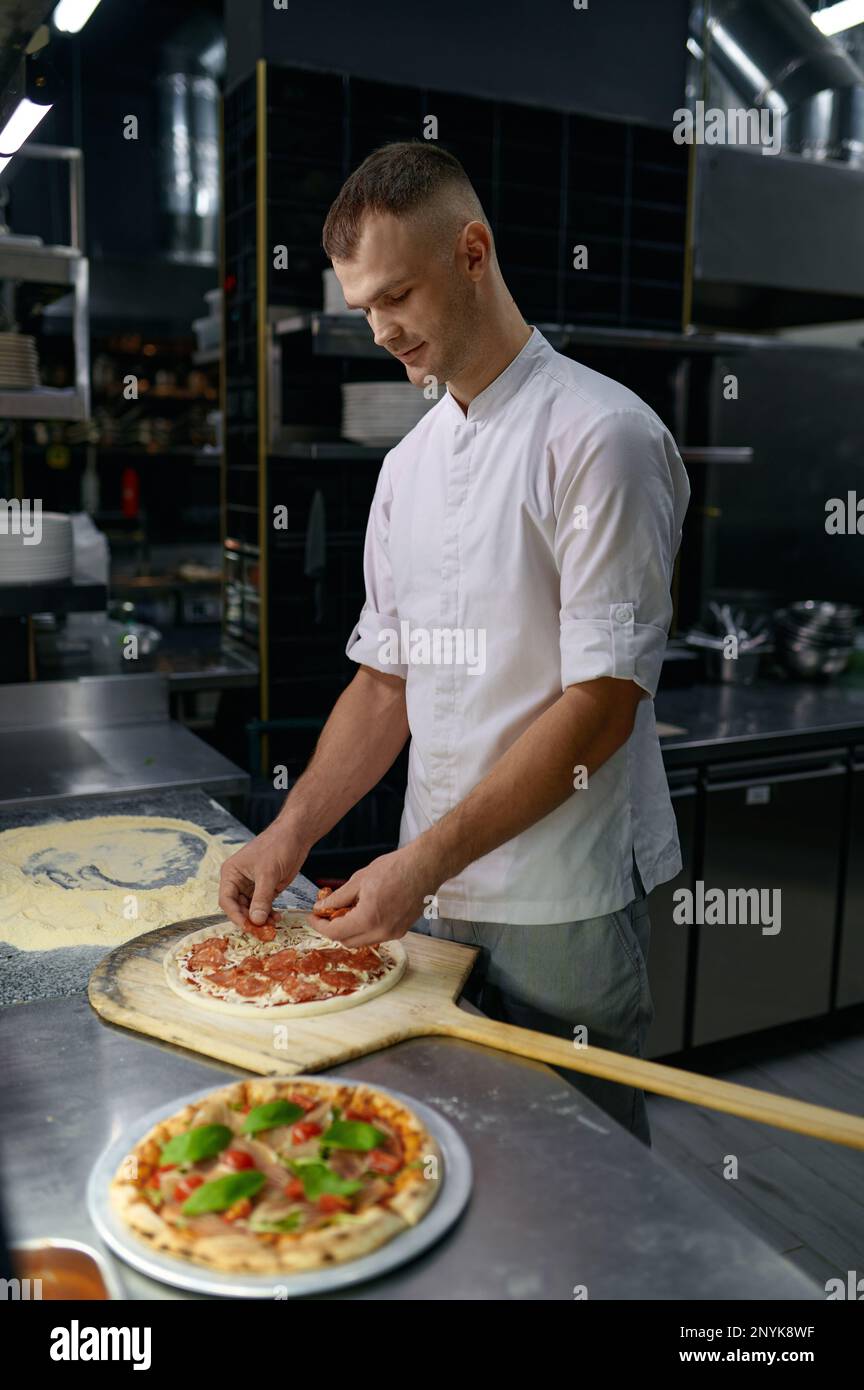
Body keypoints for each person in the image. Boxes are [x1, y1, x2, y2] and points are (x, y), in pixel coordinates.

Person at [218, 141, 690, 1146]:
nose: (384, 330)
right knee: (467, 1161)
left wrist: (417, 862)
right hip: (430, 906)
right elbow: (383, 684)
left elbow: (602, 703)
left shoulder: (604, 436)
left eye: (399, 294)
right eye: (364, 309)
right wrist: (288, 833)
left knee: (586, 1180)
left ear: (473, 250)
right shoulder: (408, 467)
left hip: (561, 897)